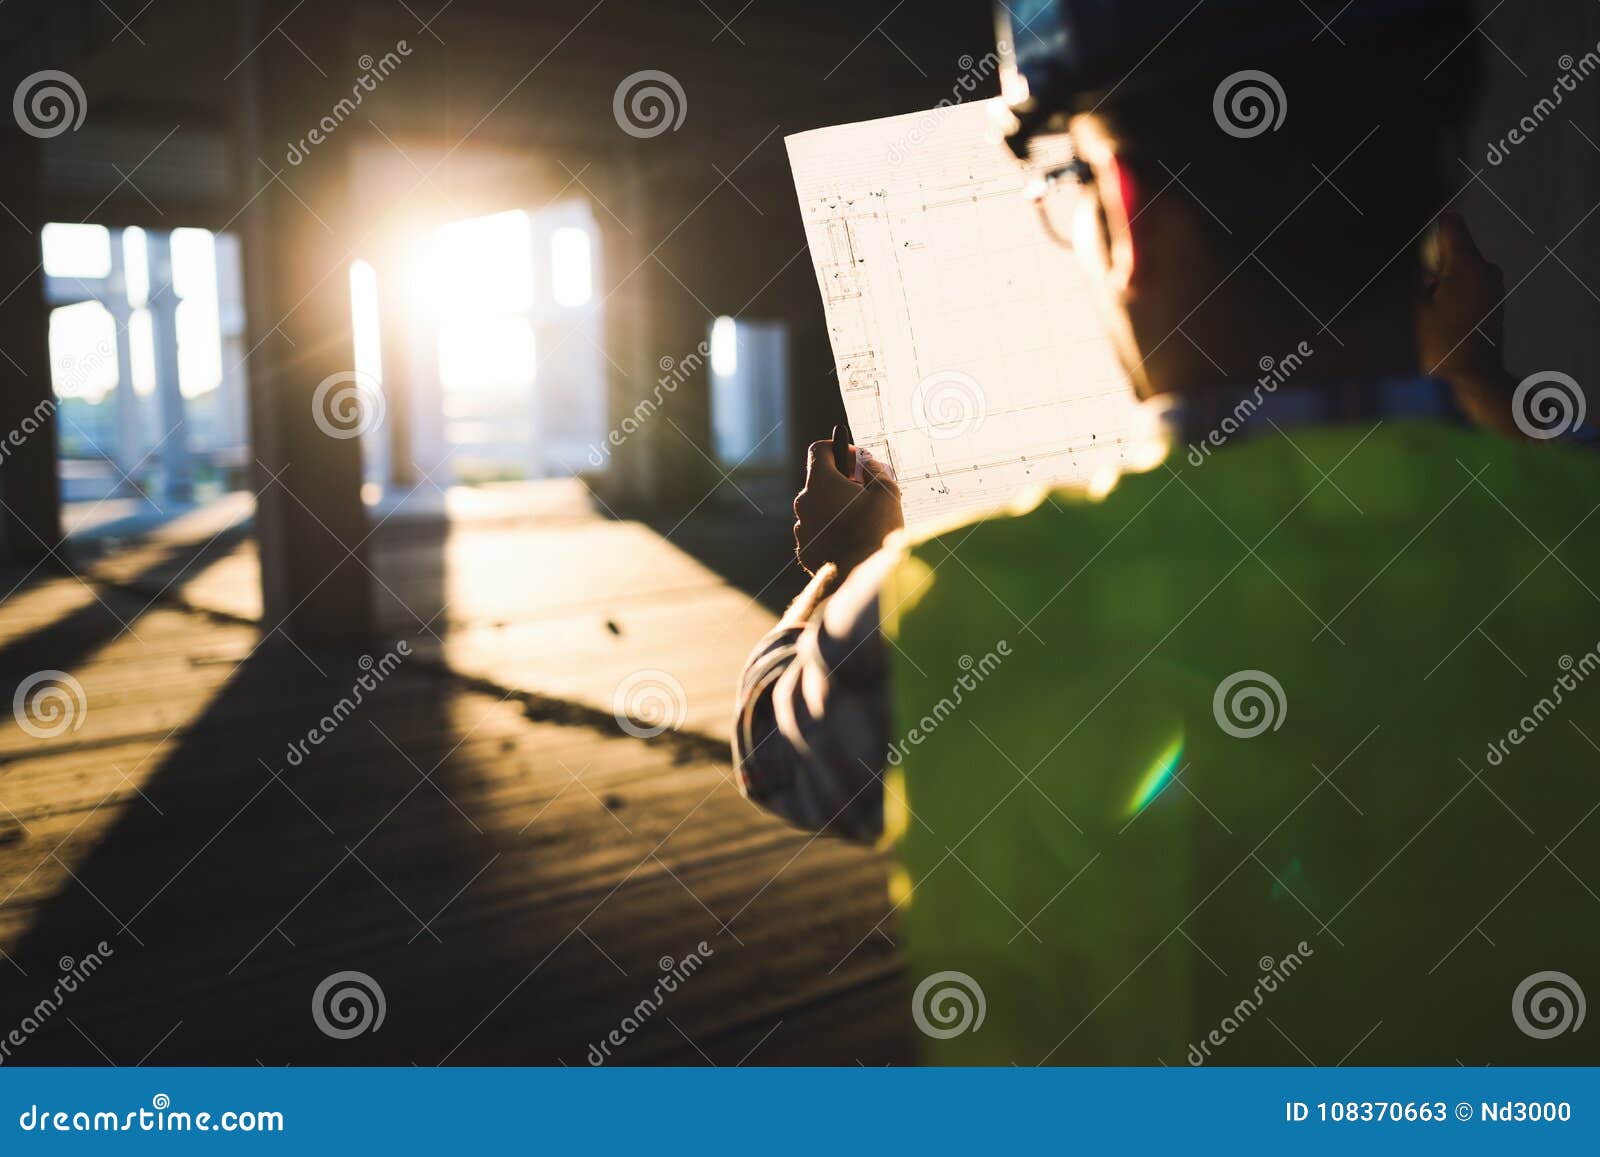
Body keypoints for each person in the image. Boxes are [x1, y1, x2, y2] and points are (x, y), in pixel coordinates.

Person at [735, 0, 1600, 1064]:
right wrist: (1475, 381)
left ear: (1126, 213)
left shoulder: (946, 604)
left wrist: (849, 559)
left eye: (1067, 190)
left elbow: (774, 750)